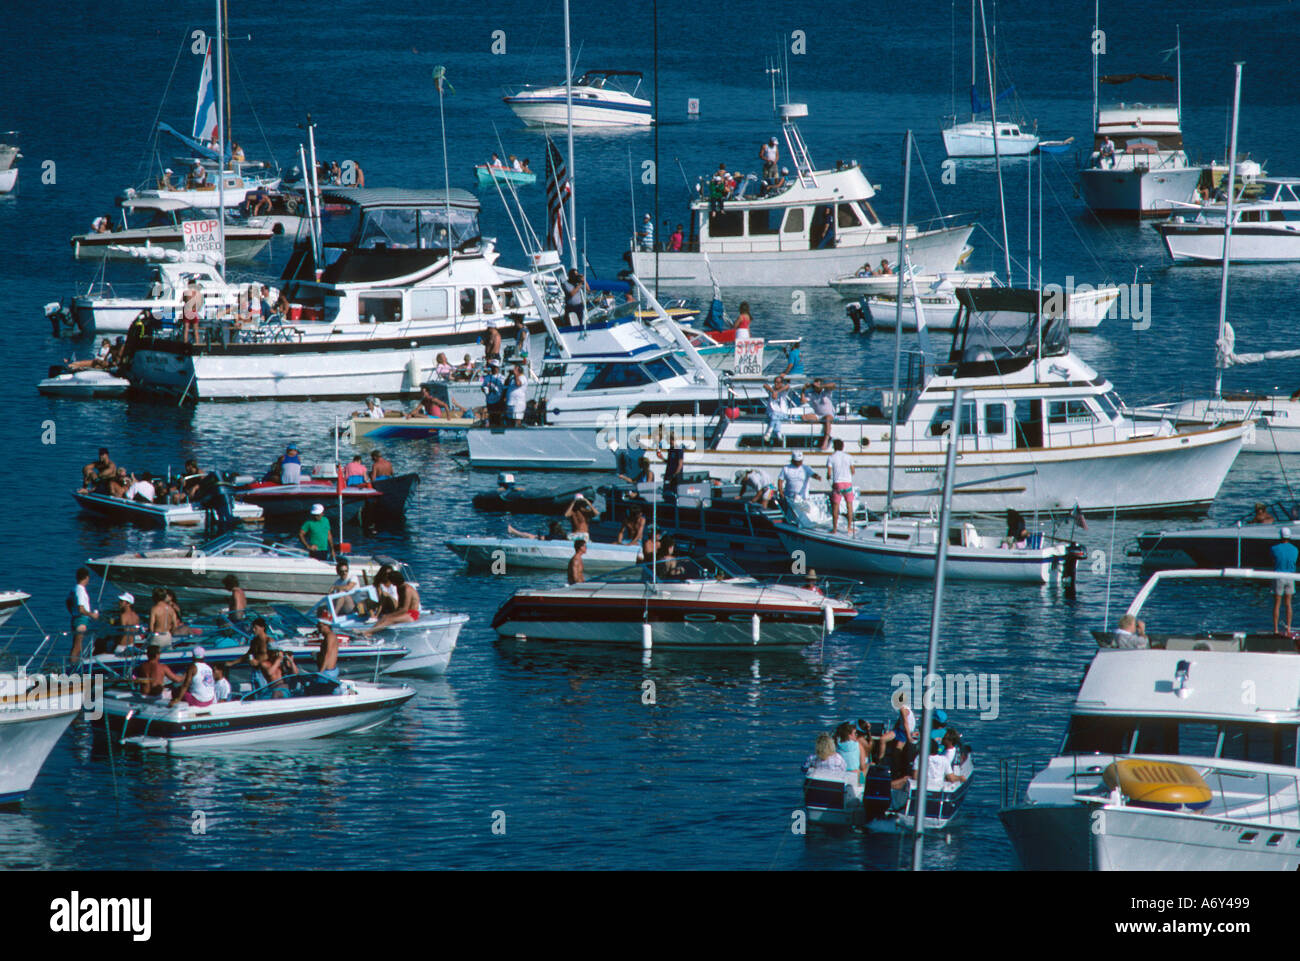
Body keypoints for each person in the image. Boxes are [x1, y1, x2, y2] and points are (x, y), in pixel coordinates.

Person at [66, 568, 98, 663]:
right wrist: (92, 615)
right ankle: (73, 667)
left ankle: (73, 665)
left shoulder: (74, 589)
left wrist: (72, 612)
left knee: (76, 644)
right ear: (87, 578)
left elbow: (68, 602)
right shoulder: (80, 590)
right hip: (81, 620)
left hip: (76, 618)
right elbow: (81, 609)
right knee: (77, 646)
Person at [1273, 527, 1298, 635]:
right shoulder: (1295, 549)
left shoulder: (1274, 548)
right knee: (1288, 604)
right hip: (1290, 576)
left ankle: (1276, 629)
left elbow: (1274, 559)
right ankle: (1288, 628)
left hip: (1279, 576)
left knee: (1277, 604)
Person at [827, 438, 855, 535]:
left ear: (834, 446)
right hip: (847, 484)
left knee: (835, 507)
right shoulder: (849, 457)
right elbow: (853, 471)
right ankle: (849, 528)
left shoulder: (831, 457)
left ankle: (834, 529)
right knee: (849, 506)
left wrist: (828, 477)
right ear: (843, 446)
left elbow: (829, 474)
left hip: (837, 484)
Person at [802, 377, 837, 450]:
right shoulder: (811, 394)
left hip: (828, 415)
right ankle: (809, 439)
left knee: (827, 419)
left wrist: (821, 386)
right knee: (804, 417)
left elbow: (833, 385)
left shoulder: (826, 392)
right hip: (818, 416)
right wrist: (803, 390)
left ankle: (826, 440)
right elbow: (803, 401)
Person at [315, 606, 341, 681]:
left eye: (319, 626)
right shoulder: (328, 636)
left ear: (325, 626)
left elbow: (328, 654)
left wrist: (321, 672)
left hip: (328, 672)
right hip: (328, 671)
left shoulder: (330, 636)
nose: (318, 628)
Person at [763, 375, 792, 444]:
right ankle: (778, 433)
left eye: (778, 383)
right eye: (775, 382)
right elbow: (764, 385)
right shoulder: (771, 388)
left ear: (781, 383)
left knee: (775, 416)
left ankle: (769, 432)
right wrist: (773, 391)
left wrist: (777, 392)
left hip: (782, 413)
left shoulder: (784, 390)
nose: (776, 384)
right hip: (771, 413)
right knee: (775, 416)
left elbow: (788, 386)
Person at [482, 359, 507, 427]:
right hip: (489, 401)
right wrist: (484, 390)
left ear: (498, 368)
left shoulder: (502, 378)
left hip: (498, 401)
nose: (494, 369)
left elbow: (505, 390)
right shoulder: (487, 378)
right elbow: (482, 387)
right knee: (491, 417)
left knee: (498, 418)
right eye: (493, 367)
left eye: (496, 367)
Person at [505, 363, 529, 427]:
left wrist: (516, 375)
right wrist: (510, 375)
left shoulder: (522, 377)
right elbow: (506, 383)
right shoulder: (513, 378)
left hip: (518, 403)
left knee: (517, 421)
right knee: (510, 421)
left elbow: (518, 384)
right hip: (510, 403)